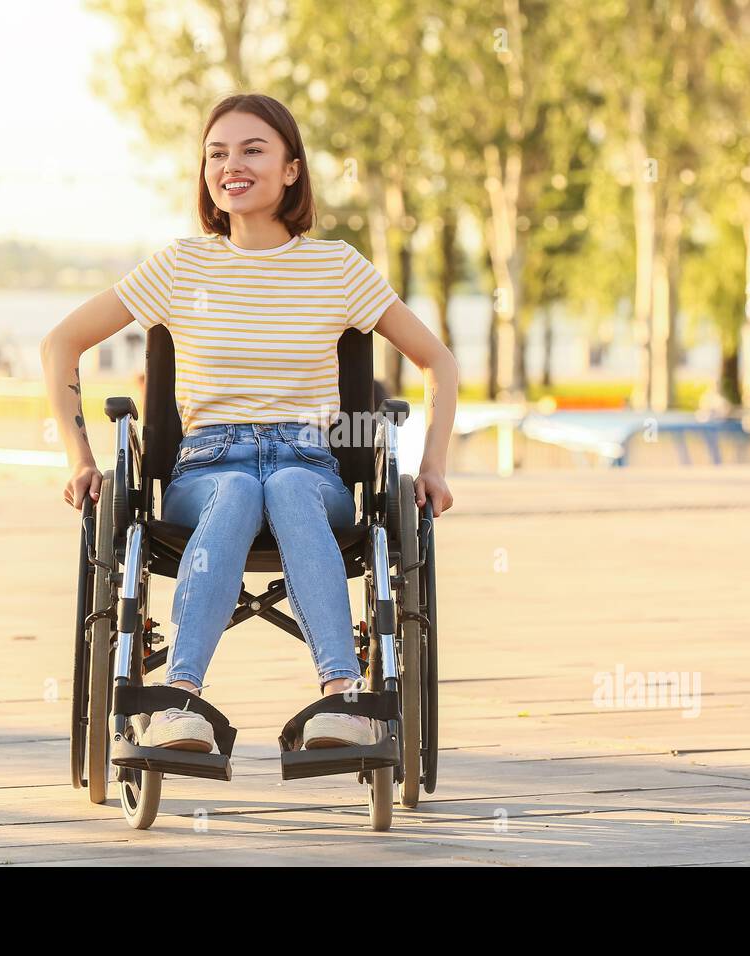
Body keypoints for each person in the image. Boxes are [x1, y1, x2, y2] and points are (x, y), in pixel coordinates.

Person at [40, 92, 457, 754]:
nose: (231, 165)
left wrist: (432, 466)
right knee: (236, 488)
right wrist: (80, 458)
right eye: (217, 154)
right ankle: (179, 700)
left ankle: (343, 699)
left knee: (287, 485)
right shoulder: (180, 265)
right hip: (207, 468)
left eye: (252, 150)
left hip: (308, 465)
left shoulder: (338, 268)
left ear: (292, 169)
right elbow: (61, 342)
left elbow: (438, 361)